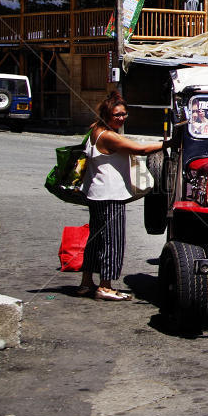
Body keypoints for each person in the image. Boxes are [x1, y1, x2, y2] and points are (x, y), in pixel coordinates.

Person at [77, 91, 169, 301]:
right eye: (117, 115)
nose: (121, 118)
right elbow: (141, 149)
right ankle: (105, 287)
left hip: (96, 194)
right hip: (111, 195)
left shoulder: (95, 129)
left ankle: (86, 282)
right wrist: (168, 144)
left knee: (95, 240)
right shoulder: (108, 136)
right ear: (106, 114)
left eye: (124, 114)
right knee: (113, 241)